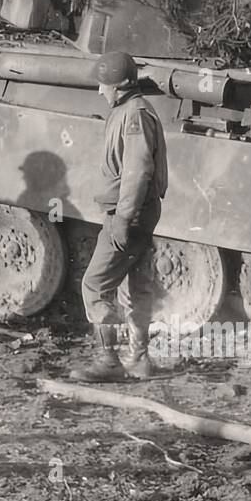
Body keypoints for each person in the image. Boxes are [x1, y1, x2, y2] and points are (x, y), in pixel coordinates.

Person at [70, 50, 168, 383]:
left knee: (94, 286)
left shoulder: (135, 115)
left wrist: (123, 220)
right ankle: (139, 360)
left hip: (130, 213)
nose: (101, 90)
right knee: (136, 286)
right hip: (138, 211)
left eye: (105, 84)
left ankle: (108, 360)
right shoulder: (128, 109)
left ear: (121, 86)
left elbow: (138, 171)